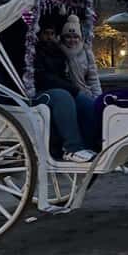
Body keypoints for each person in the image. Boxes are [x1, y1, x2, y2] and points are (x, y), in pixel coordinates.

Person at [33, 22, 98, 161]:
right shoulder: (33, 52)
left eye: (52, 34)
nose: (49, 37)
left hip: (60, 88)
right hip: (39, 92)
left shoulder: (58, 52)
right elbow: (41, 77)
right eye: (46, 34)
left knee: (86, 102)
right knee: (63, 97)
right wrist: (70, 88)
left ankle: (91, 145)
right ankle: (72, 148)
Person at [60, 14, 102, 149]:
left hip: (84, 91)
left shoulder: (86, 53)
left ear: (80, 37)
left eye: (75, 37)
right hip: (68, 92)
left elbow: (93, 78)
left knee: (94, 109)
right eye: (68, 36)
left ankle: (93, 144)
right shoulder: (59, 51)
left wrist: (97, 97)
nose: (72, 40)